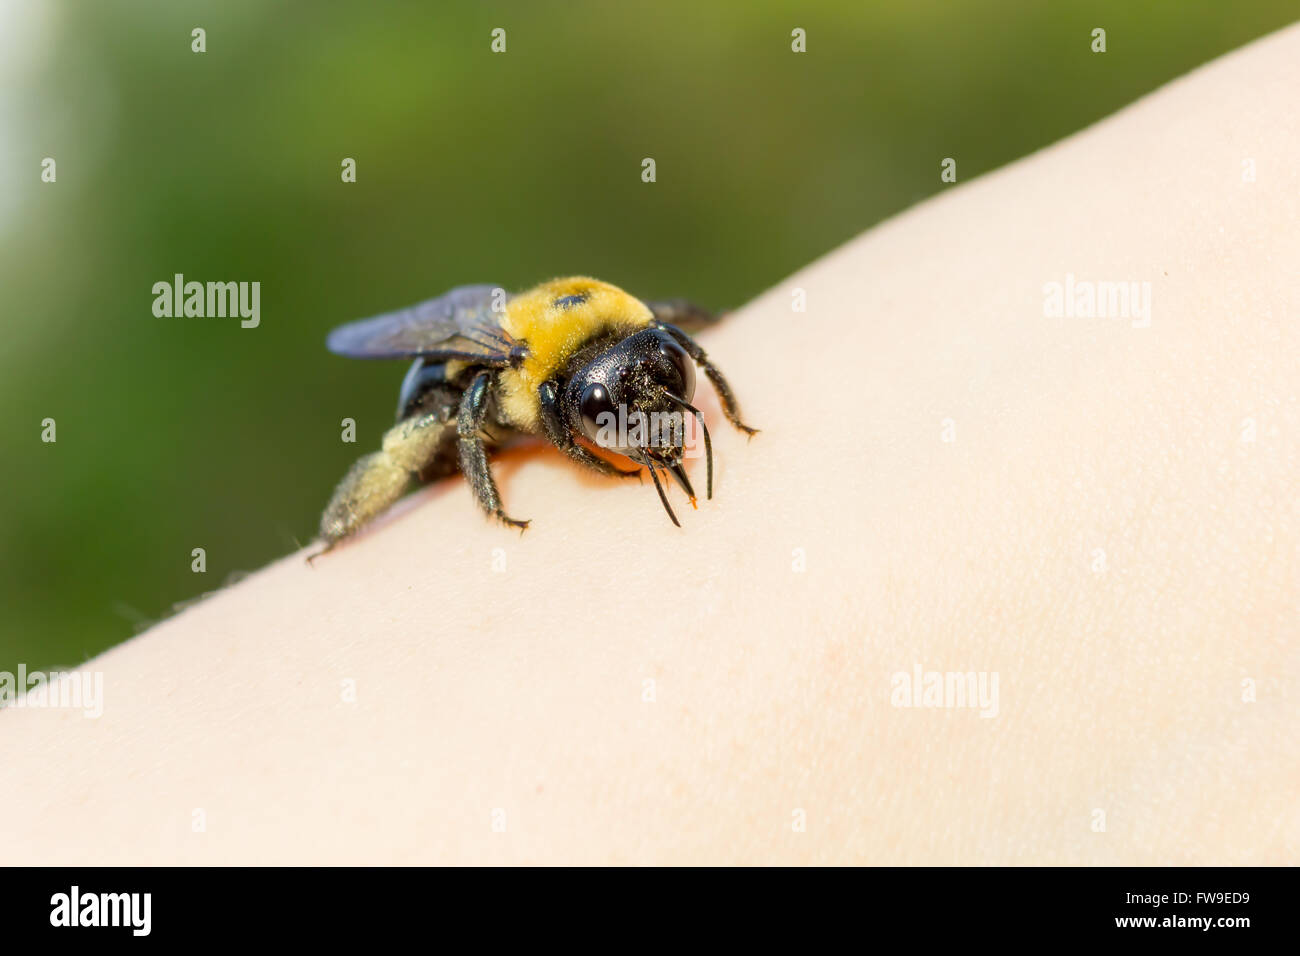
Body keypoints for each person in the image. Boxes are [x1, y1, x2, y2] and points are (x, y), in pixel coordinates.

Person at [2, 24, 1296, 865]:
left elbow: (664, 336)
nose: (646, 416)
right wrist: (496, 504)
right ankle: (347, 538)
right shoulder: (520, 375)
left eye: (658, 396)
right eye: (629, 410)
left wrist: (720, 395)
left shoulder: (636, 338)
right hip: (467, 385)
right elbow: (464, 393)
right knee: (425, 439)